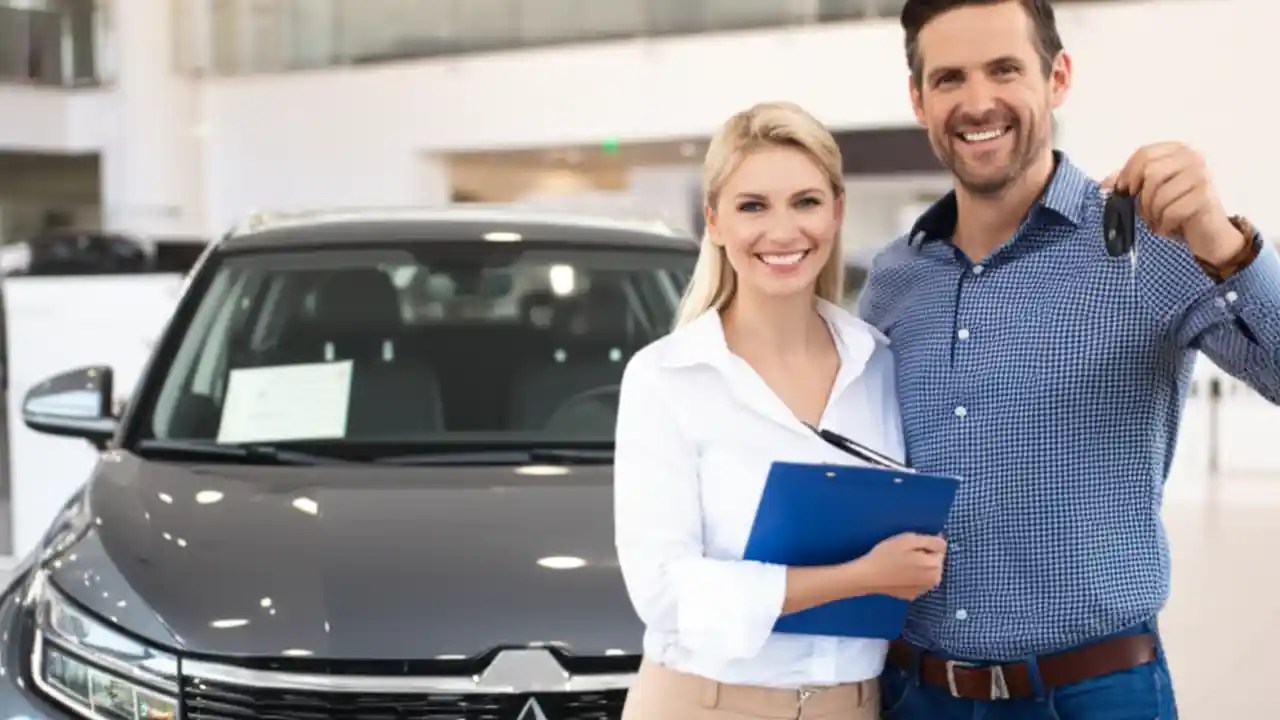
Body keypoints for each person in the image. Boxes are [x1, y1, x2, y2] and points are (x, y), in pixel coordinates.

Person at [858, 0, 1280, 718]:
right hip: (912, 691)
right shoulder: (894, 278)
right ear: (919, 100)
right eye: (950, 78)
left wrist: (1223, 243)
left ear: (1057, 78)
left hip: (1093, 695)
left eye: (1005, 69)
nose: (978, 101)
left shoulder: (1152, 240)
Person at [613, 101, 948, 719]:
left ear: (837, 211)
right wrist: (861, 576)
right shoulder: (666, 378)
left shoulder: (877, 364)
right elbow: (665, 592)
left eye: (806, 201)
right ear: (713, 221)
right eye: (752, 206)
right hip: (703, 705)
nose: (783, 231)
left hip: (851, 707)